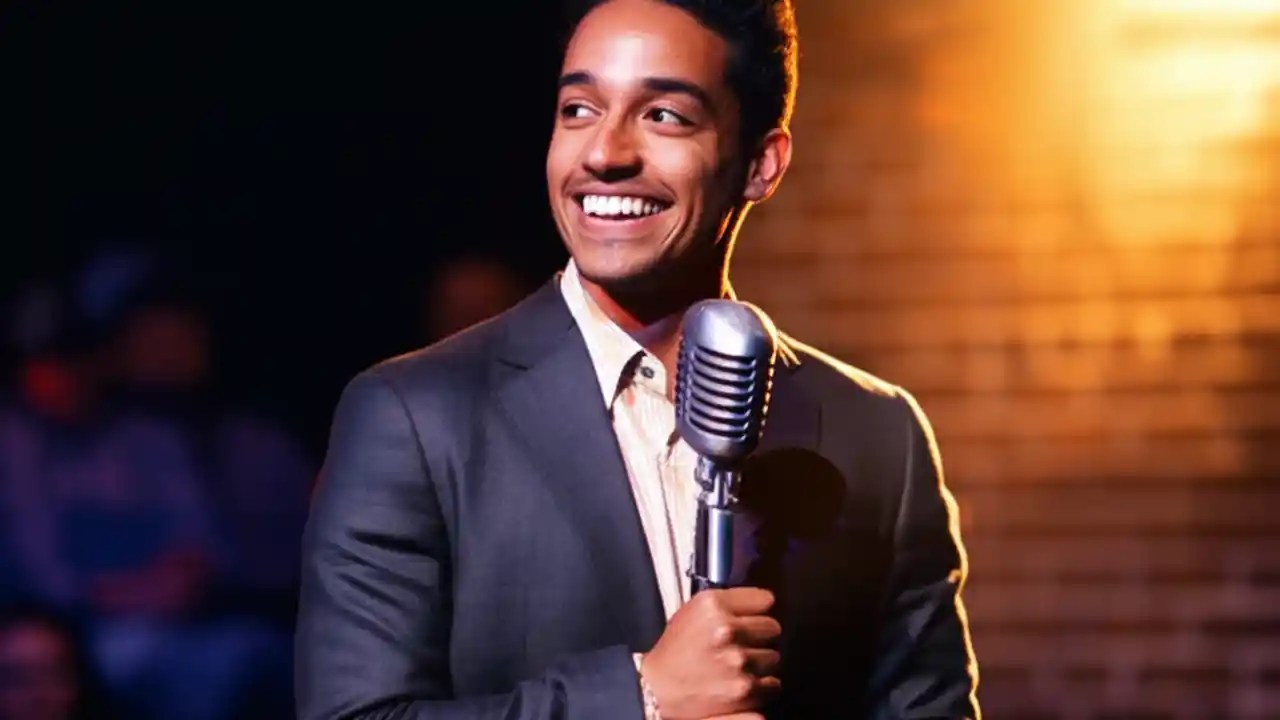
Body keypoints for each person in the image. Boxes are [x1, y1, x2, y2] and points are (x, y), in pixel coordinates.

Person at [295, 1, 981, 718]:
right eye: (579, 109)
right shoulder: (415, 417)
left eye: (664, 116)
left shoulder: (874, 434)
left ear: (760, 163)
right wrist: (642, 699)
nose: (604, 152)